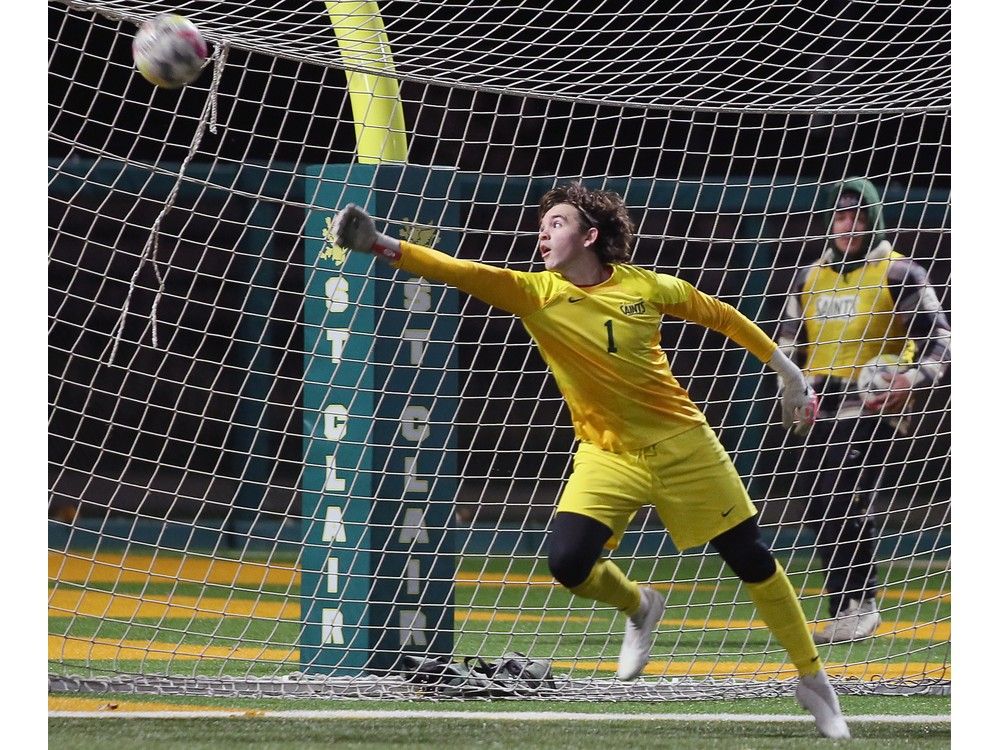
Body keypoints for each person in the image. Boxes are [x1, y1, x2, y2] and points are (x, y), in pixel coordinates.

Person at [333, 183, 850, 739]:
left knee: (749, 556)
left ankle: (814, 681)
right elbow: (459, 271)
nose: (542, 235)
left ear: (590, 236)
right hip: (606, 454)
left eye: (556, 224)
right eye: (542, 226)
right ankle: (640, 604)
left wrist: (789, 374)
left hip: (684, 444)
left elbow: (722, 315)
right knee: (568, 563)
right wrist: (379, 242)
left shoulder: (646, 286)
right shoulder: (536, 293)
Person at [777, 177, 951, 644]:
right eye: (840, 215)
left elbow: (941, 341)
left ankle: (863, 602)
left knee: (844, 495)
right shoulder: (809, 277)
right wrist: (789, 389)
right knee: (818, 505)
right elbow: (790, 342)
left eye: (858, 216)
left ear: (874, 220)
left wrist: (910, 380)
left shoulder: (900, 274)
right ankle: (844, 605)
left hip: (872, 406)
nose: (847, 224)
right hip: (819, 407)